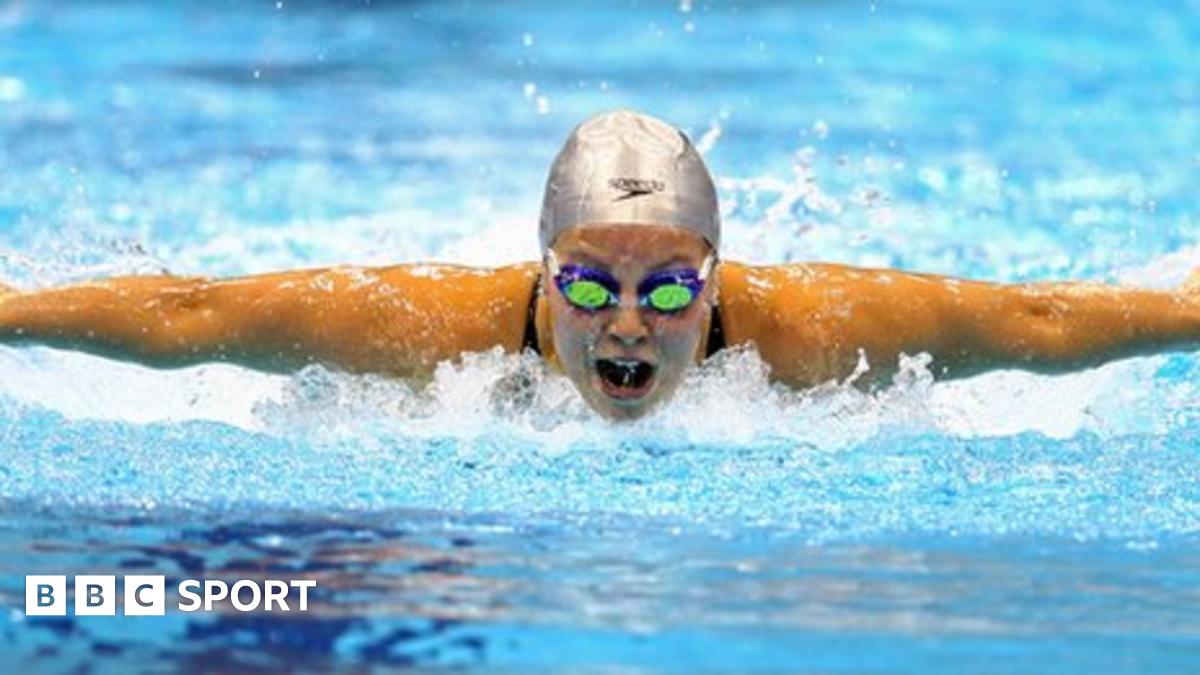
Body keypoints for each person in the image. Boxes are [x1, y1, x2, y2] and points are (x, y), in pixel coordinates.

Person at [1, 110, 1198, 420]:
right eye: (589, 283)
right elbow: (190, 311)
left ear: (720, 279)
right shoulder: (431, 330)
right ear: (541, 270)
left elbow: (1042, 322)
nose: (630, 323)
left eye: (672, 285)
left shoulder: (817, 334)